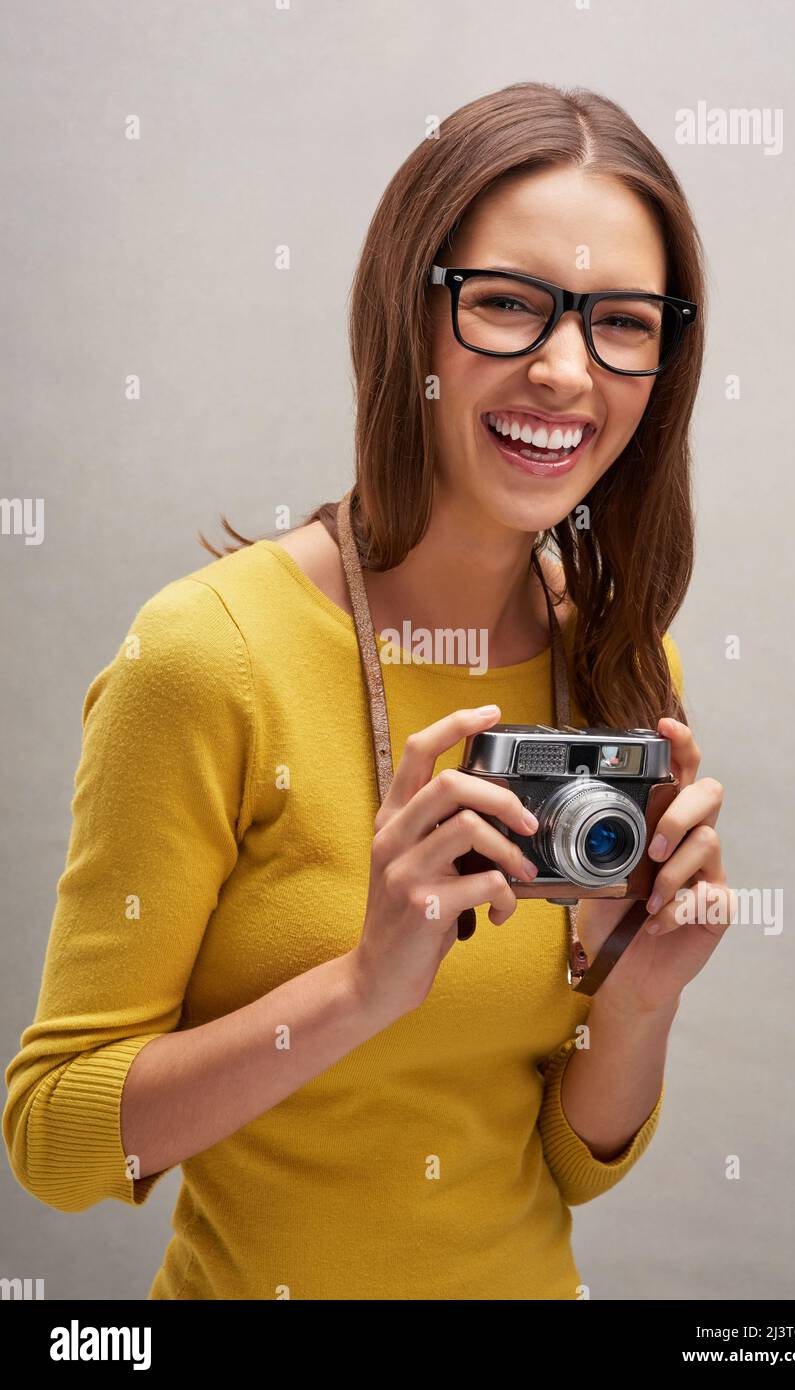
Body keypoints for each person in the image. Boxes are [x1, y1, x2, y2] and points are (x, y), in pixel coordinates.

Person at [3, 82, 732, 1300]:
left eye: (623, 322)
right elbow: (57, 1138)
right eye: (507, 305)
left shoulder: (621, 667)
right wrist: (357, 989)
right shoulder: (207, 655)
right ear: (410, 314)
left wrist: (643, 994)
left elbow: (572, 1159)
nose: (565, 370)